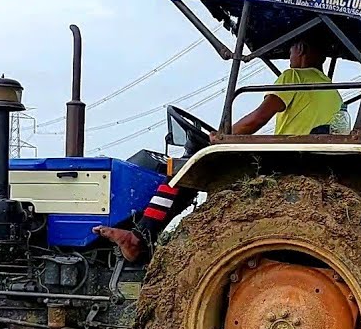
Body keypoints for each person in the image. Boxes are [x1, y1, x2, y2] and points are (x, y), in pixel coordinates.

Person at [94, 37, 347, 262]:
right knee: (192, 171)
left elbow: (257, 119)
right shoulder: (333, 92)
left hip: (284, 162)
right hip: (304, 158)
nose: (290, 57)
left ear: (300, 49)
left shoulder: (295, 77)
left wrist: (223, 137)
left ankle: (140, 238)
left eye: (290, 50)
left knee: (180, 175)